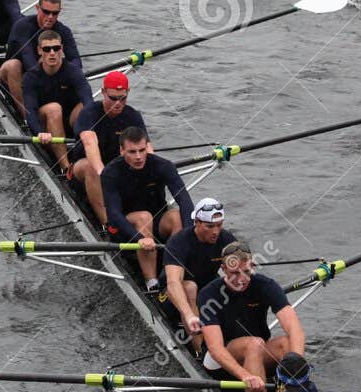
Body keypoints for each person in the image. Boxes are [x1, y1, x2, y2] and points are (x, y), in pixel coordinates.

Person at [196, 241, 305, 392]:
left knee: (287, 344)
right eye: (234, 273)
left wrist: (297, 365)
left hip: (255, 353)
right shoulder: (209, 294)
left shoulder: (266, 285)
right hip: (219, 363)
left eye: (246, 272)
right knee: (255, 344)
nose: (241, 279)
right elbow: (215, 348)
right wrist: (244, 375)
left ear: (252, 266)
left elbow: (295, 329)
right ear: (223, 269)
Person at [100, 126, 193, 292]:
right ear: (121, 151)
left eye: (142, 150)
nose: (138, 157)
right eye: (132, 152)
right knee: (144, 217)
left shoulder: (163, 166)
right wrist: (139, 238)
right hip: (125, 228)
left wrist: (188, 232)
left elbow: (185, 201)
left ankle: (170, 273)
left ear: (147, 147)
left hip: (156, 223)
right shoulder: (111, 172)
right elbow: (113, 214)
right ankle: (152, 283)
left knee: (177, 216)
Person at [68, 70, 144, 224]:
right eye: (113, 98)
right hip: (82, 169)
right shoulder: (89, 112)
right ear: (103, 92)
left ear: (128, 92)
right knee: (91, 166)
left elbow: (146, 148)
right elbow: (90, 142)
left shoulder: (133, 116)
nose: (118, 103)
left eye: (122, 98)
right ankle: (107, 224)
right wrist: (103, 173)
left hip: (114, 169)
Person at [163, 196, 237, 348]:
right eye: (210, 226)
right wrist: (189, 315)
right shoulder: (178, 243)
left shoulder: (226, 239)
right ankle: (200, 351)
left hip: (204, 291)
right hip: (170, 297)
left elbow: (242, 270)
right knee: (190, 287)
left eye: (219, 225)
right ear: (196, 222)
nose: (216, 231)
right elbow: (173, 283)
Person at [20, 30, 93, 173]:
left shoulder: (73, 71)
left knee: (87, 107)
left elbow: (88, 99)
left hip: (69, 120)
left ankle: (89, 152)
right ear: (39, 51)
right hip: (45, 124)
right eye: (47, 49)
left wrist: (92, 123)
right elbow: (30, 110)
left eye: (56, 48)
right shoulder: (30, 77)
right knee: (54, 108)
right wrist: (38, 132)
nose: (52, 53)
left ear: (62, 49)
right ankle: (66, 169)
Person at [0, 0, 79, 108]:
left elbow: (76, 61)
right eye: (46, 12)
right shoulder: (22, 26)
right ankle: (27, 115)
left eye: (55, 13)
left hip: (44, 81)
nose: (50, 17)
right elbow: (28, 59)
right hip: (16, 79)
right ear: (37, 8)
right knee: (13, 65)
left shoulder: (64, 31)